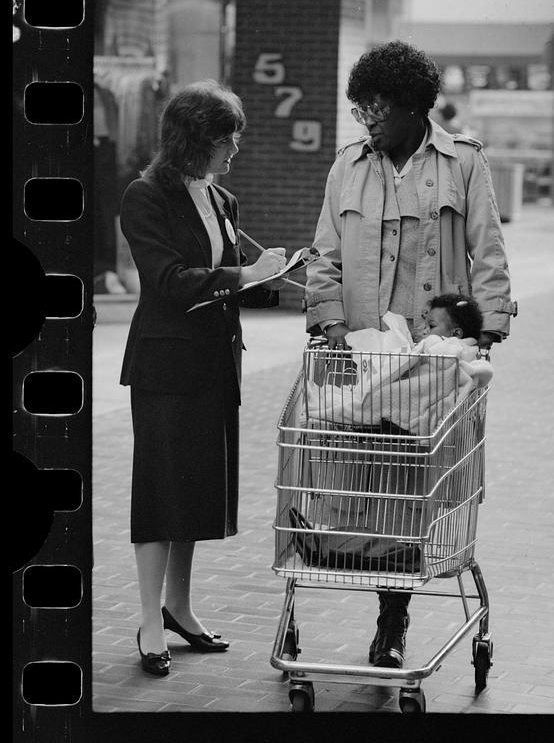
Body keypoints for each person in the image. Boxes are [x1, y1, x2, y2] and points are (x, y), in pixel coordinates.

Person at [305, 40, 517, 670]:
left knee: (411, 485)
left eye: (378, 108)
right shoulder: (348, 166)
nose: (367, 119)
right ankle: (373, 585)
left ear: (413, 106)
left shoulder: (463, 163)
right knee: (362, 482)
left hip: (432, 360)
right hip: (366, 356)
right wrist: (331, 324)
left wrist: (485, 332)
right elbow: (325, 255)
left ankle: (392, 617)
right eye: (360, 107)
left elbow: (489, 252)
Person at [119, 79, 287, 676]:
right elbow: (169, 281)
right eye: (226, 138)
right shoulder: (145, 196)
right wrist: (244, 276)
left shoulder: (221, 198)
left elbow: (229, 281)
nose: (234, 148)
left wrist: (280, 276)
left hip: (214, 363)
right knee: (159, 490)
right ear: (194, 138)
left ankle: (179, 609)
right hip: (165, 365)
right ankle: (149, 621)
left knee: (192, 491)